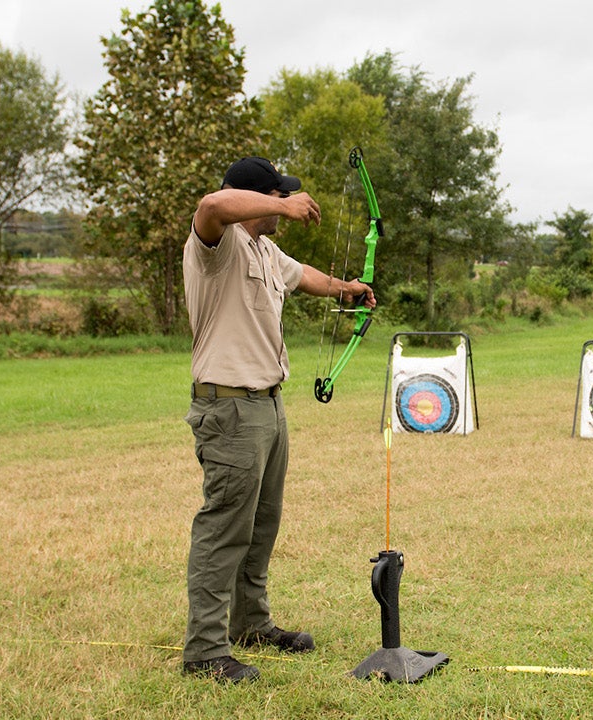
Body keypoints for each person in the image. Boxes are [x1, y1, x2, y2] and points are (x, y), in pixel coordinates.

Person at [179, 157, 375, 683]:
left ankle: (251, 624)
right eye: (275, 199)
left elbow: (302, 276)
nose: (283, 211)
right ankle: (203, 651)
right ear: (257, 198)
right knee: (224, 528)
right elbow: (211, 204)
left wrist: (346, 288)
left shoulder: (264, 249)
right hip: (229, 408)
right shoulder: (215, 245)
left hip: (267, 403)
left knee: (260, 525)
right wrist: (284, 205)